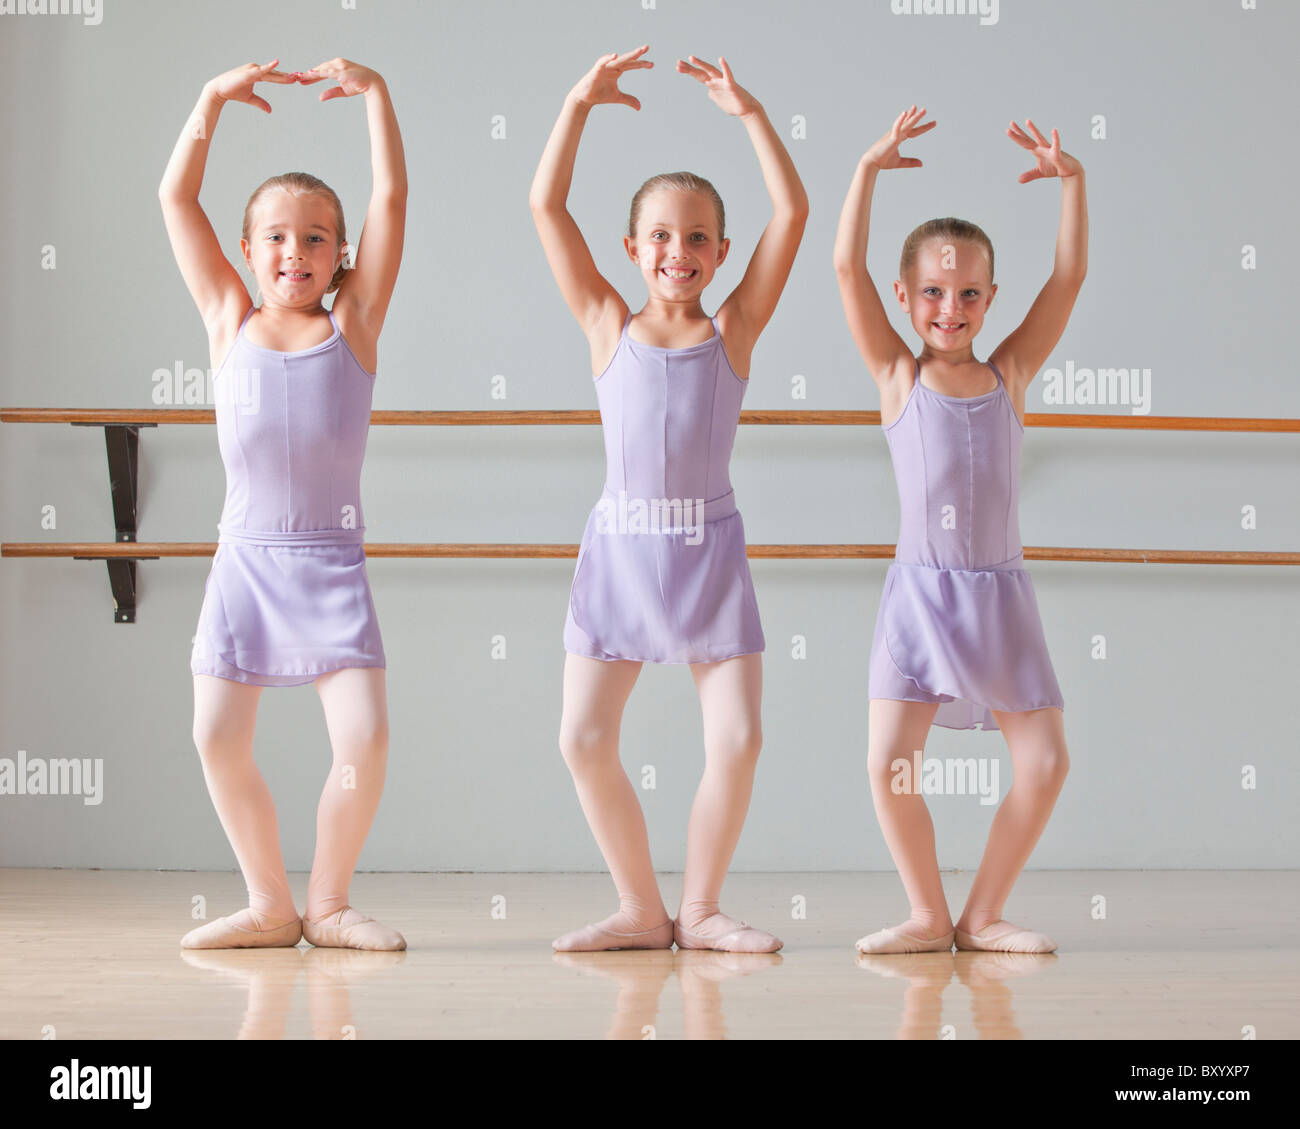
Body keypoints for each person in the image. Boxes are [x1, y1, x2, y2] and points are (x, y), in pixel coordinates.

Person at [530, 47, 807, 952]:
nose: (677, 252)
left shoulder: (736, 329)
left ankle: (702, 908)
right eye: (660, 235)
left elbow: (793, 211)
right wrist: (578, 103)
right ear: (631, 248)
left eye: (697, 238)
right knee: (582, 736)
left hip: (708, 551)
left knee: (738, 738)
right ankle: (642, 907)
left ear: (722, 253)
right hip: (620, 550)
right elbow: (545, 206)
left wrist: (750, 112)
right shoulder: (607, 323)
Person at [159, 57, 408, 950]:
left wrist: (378, 98)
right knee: (216, 735)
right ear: (247, 249)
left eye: (314, 238)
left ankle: (330, 902)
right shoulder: (228, 318)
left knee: (365, 739)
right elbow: (175, 200)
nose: (293, 253)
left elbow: (392, 201)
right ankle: (270, 903)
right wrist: (210, 99)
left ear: (339, 254)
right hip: (246, 561)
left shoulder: (355, 325)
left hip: (330, 560)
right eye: (275, 237)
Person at [833, 107, 1086, 954]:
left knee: (1044, 762)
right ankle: (925, 912)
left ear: (989, 299)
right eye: (933, 292)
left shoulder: (1010, 372)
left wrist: (1073, 185)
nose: (951, 307)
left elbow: (1068, 282)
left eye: (969, 292)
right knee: (888, 763)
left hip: (999, 594)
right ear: (906, 297)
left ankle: (982, 914)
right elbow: (844, 269)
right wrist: (867, 170)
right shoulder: (898, 376)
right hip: (920, 594)